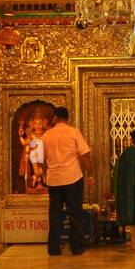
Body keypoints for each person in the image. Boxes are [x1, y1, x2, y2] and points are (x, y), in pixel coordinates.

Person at [40, 107, 93, 256]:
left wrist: (46, 172)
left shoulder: (46, 136)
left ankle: (54, 248)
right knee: (75, 213)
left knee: (55, 215)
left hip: (54, 180)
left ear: (56, 118)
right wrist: (90, 174)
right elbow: (85, 155)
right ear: (67, 118)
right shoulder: (73, 132)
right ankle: (77, 247)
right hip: (73, 178)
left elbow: (40, 160)